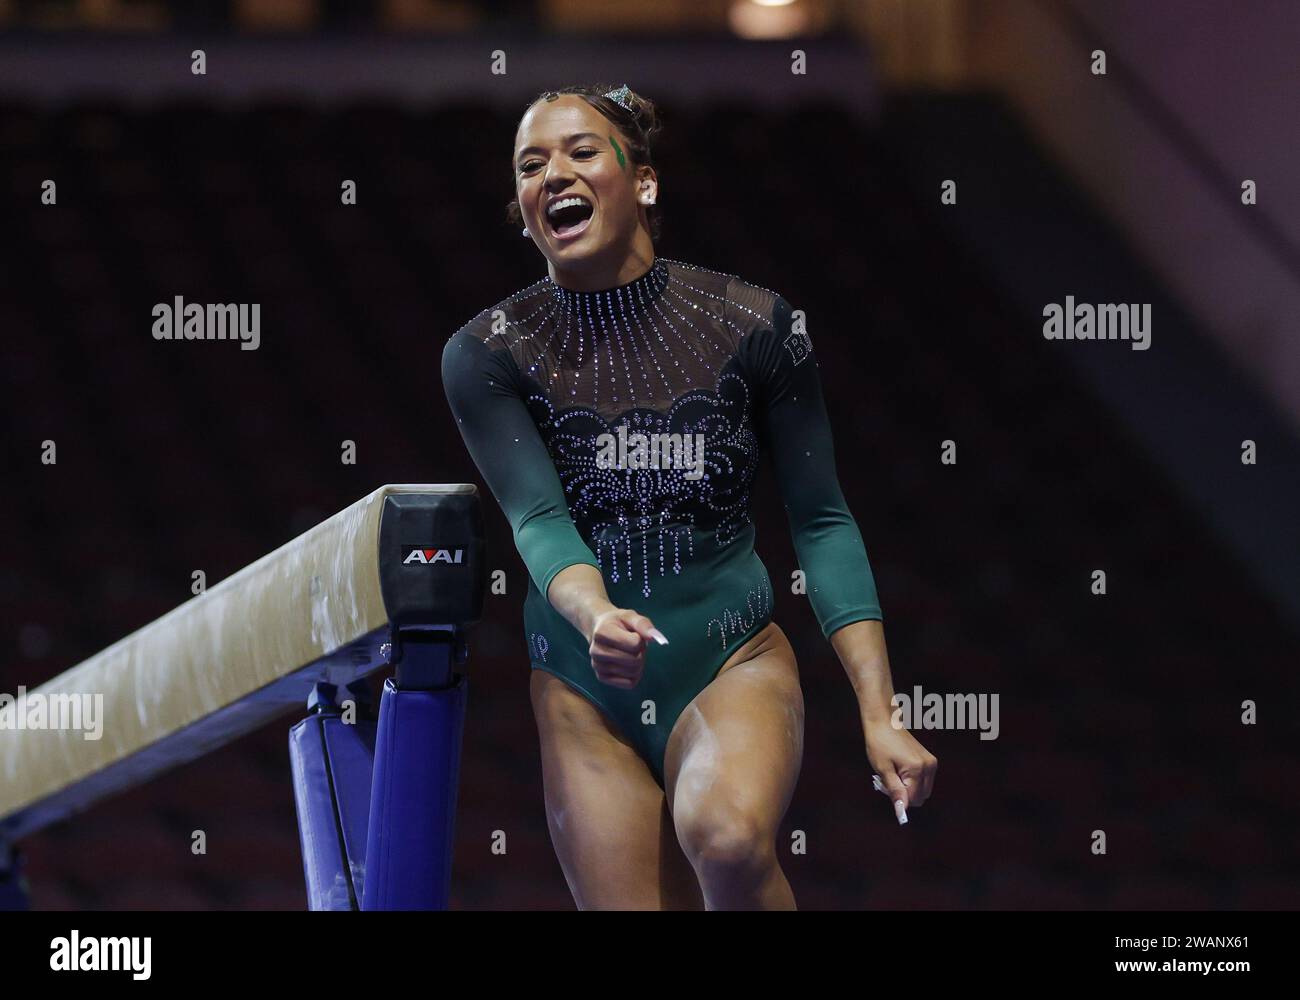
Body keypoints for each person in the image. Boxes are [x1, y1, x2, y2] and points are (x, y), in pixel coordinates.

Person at [441, 83, 937, 910]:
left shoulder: (754, 325)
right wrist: (595, 616)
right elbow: (537, 517)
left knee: (728, 836)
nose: (553, 173)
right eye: (532, 165)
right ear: (521, 206)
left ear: (644, 182)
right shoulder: (488, 352)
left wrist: (880, 711)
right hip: (578, 684)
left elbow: (820, 519)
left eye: (580, 151)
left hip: (728, 656)